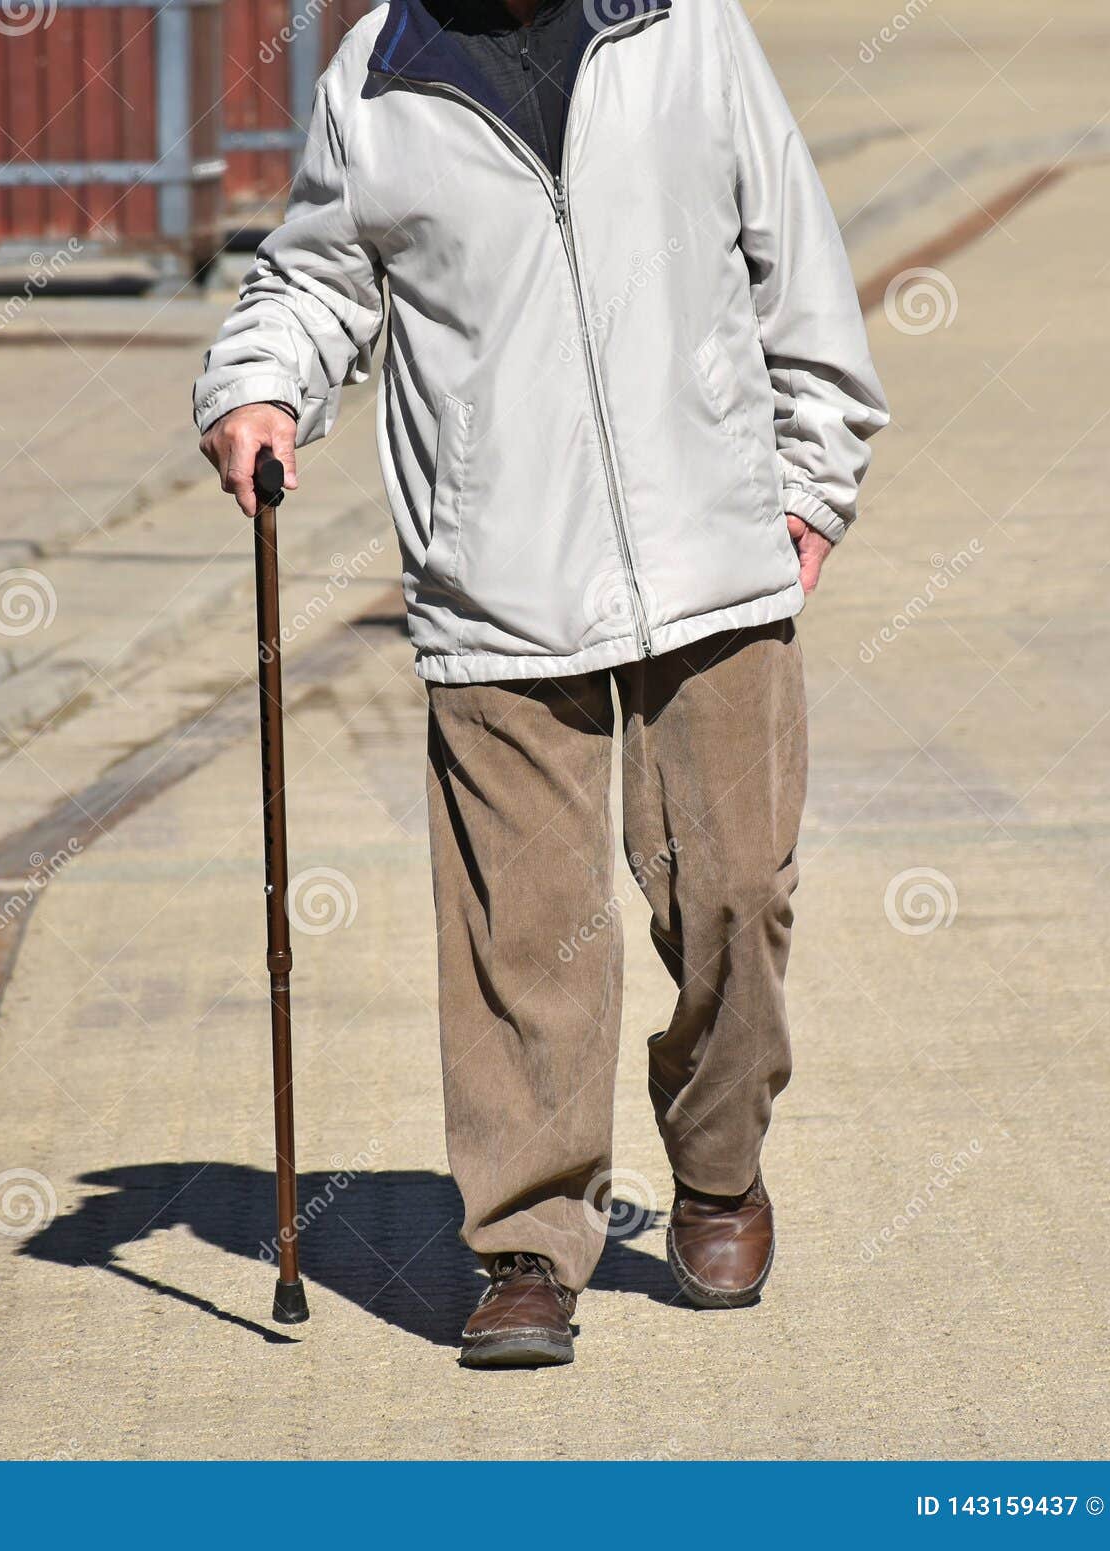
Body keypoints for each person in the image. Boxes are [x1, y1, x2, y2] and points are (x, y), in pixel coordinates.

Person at [195, 0, 888, 1368]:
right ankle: (527, 1241)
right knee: (522, 932)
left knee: (735, 892)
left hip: (713, 548)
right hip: (497, 569)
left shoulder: (687, 30)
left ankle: (717, 1164)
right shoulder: (380, 75)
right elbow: (316, 274)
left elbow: (791, 256)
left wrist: (812, 480)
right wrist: (260, 387)